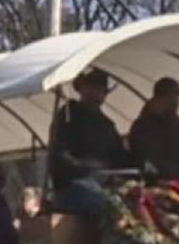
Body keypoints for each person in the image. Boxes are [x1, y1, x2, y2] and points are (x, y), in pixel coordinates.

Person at [47, 67, 134, 217]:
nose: (95, 94)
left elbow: (120, 157)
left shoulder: (106, 125)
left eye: (99, 90)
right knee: (104, 203)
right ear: (81, 90)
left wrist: (142, 164)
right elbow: (59, 157)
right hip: (71, 187)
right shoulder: (68, 117)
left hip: (104, 185)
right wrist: (91, 167)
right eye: (91, 88)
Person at [128, 77, 179, 181]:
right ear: (160, 98)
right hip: (160, 185)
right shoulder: (143, 127)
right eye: (172, 96)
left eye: (176, 96)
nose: (176, 101)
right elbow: (150, 162)